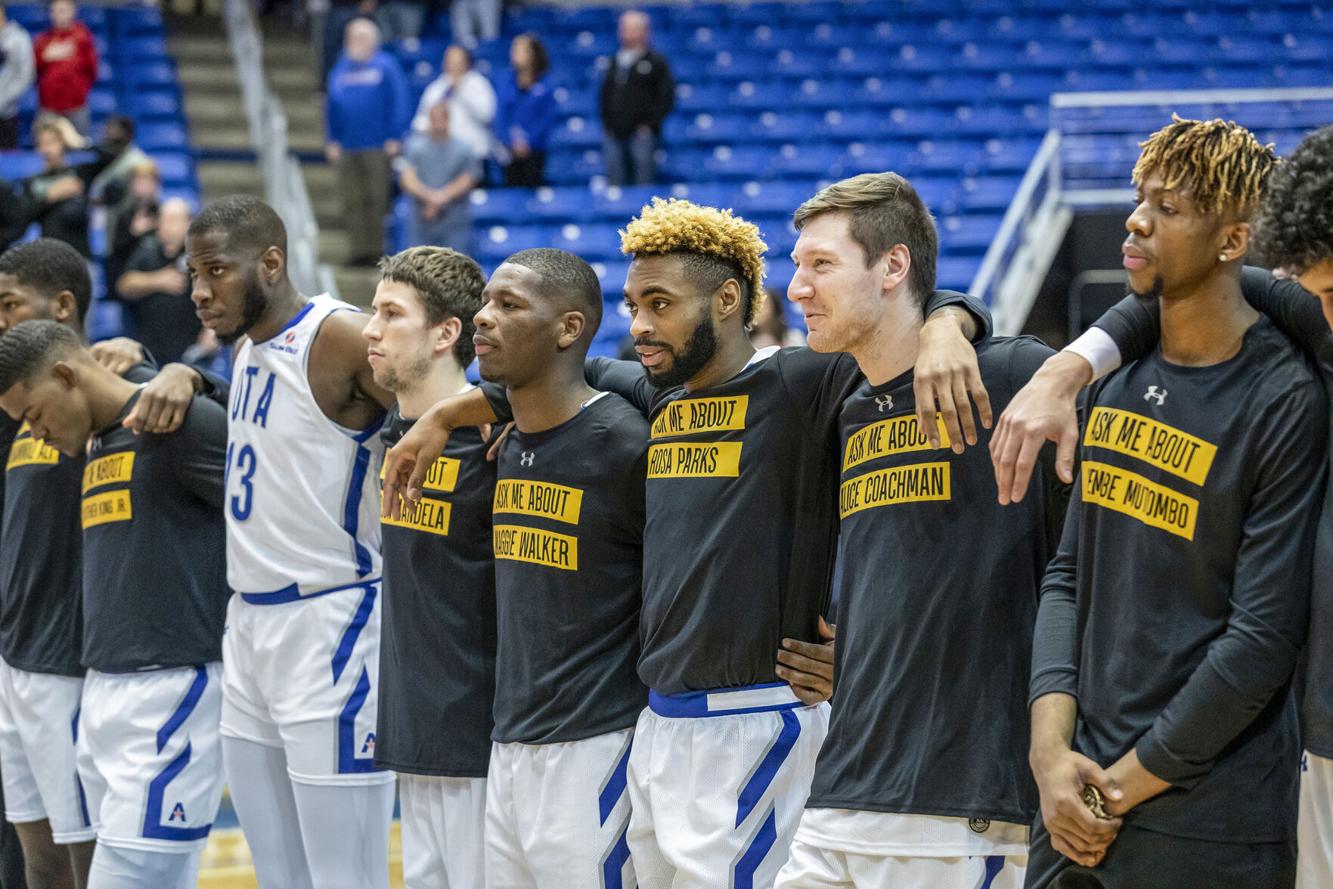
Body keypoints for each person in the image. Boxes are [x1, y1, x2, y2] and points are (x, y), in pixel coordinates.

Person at [384, 197, 993, 887]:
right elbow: (563, 376)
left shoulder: (795, 382)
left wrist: (950, 323)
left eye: (660, 304)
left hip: (754, 717)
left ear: (727, 300)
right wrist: (444, 415)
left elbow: (898, 326)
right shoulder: (660, 395)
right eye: (633, 305)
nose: (639, 325)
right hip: (660, 728)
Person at [995, 125, 1333, 889]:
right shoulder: (1116, 374)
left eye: (1167, 207)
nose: (1135, 220)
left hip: (1201, 813)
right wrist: (1048, 754)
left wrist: (1115, 788)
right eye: (1139, 199)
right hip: (1070, 794)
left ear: (1232, 239)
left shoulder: (1287, 395)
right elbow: (1067, 576)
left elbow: (1259, 638)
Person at [772, 173, 1066, 889]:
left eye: (820, 264)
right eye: (797, 264)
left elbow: (1083, 571)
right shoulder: (846, 405)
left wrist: (948, 322)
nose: (796, 287)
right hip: (840, 789)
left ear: (893, 265)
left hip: (962, 802)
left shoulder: (1015, 375)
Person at [187, 195, 396, 889]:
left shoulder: (343, 336)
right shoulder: (246, 347)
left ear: (271, 263)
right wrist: (186, 373)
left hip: (331, 620)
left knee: (346, 877)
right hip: (248, 622)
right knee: (276, 873)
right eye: (193, 274)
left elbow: (446, 407)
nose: (200, 290)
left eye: (216, 270)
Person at [0, 239, 206, 889]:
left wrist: (189, 373)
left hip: (79, 660)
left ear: (63, 306)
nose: (1, 321)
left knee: (92, 861)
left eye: (9, 304)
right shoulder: (21, 407)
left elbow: (224, 436)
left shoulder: (126, 391)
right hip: (18, 656)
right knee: (35, 856)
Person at [469, 249, 646, 887]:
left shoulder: (626, 443)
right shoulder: (510, 440)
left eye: (509, 305)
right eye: (485, 302)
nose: (482, 317)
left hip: (597, 746)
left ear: (569, 328)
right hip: (510, 744)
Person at [363, 246, 496, 889]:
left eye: (392, 314)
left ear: (446, 334)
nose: (371, 329)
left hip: (483, 740)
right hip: (414, 730)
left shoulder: (499, 438)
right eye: (374, 311)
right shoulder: (396, 429)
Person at [324, 17, 411, 266]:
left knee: (377, 199)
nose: (355, 42)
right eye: (351, 37)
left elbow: (400, 100)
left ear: (373, 40)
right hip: (348, 146)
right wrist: (332, 138)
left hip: (378, 145)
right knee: (352, 200)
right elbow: (331, 107)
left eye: (361, 37)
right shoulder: (340, 68)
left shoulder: (386, 65)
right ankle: (358, 250)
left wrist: (396, 135)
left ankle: (378, 251)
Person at [114, 198, 200, 365]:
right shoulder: (147, 249)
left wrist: (210, 332)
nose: (166, 225)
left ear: (188, 223)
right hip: (149, 349)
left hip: (191, 351)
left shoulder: (200, 254)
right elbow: (124, 285)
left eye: (173, 220)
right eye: (163, 219)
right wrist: (158, 280)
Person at [599, 10, 673, 187]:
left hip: (642, 134)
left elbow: (666, 96)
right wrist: (607, 125)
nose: (625, 33)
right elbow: (605, 94)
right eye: (623, 28)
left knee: (643, 180)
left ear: (644, 31)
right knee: (615, 181)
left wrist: (650, 125)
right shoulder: (614, 61)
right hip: (614, 132)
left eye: (631, 28)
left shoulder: (656, 62)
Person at [397, 100, 480, 254]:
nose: (438, 125)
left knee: (454, 264)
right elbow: (407, 178)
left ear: (448, 120)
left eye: (442, 119)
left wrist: (442, 197)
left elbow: (468, 179)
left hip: (454, 222)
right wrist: (430, 197)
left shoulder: (464, 149)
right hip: (421, 220)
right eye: (434, 120)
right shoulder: (414, 147)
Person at [411, 45, 496, 161]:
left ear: (467, 63)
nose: (454, 65)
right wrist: (431, 127)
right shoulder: (436, 88)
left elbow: (487, 116)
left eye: (458, 61)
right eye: (450, 61)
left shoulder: (478, 84)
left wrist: (461, 90)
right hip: (443, 157)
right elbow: (418, 122)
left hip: (474, 153)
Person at [493, 33, 555, 188]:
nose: (514, 54)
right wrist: (509, 140)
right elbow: (501, 115)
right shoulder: (505, 81)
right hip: (509, 150)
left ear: (533, 54)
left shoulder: (546, 84)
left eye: (520, 49)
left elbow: (546, 119)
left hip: (535, 150)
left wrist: (529, 141)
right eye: (513, 49)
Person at [31, 0, 95, 137]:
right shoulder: (43, 40)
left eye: (63, 11)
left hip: (76, 106)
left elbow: (92, 69)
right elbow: (34, 72)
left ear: (72, 12)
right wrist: (46, 56)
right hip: (48, 106)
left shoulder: (83, 37)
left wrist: (80, 90)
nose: (59, 15)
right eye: (55, 11)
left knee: (80, 145)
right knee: (46, 144)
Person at [106, 160, 161, 297]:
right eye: (138, 180)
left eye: (147, 180)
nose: (143, 185)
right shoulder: (124, 215)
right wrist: (133, 233)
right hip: (128, 277)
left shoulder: (164, 213)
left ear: (156, 184)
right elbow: (115, 251)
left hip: (156, 274)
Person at [0, 5, 34, 151]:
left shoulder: (18, 38)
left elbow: (26, 75)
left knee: (7, 157)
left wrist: (4, 100)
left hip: (7, 112)